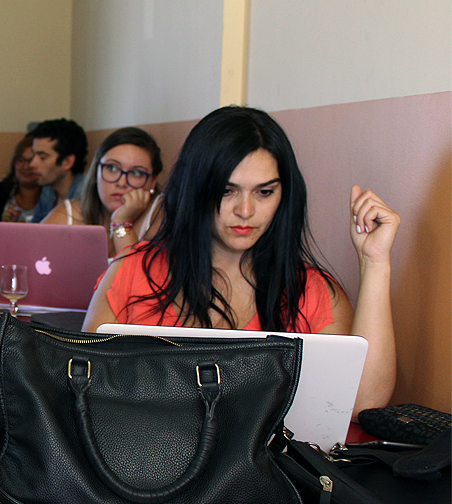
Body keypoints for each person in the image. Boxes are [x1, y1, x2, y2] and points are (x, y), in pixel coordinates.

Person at [83, 106, 399, 417]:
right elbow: (84, 393)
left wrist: (374, 261)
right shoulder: (132, 271)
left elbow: (363, 403)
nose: (245, 211)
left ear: (284, 195)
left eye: (264, 192)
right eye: (227, 191)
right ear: (195, 189)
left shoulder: (312, 292)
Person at [43, 127, 164, 257]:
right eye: (112, 168)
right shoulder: (70, 213)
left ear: (153, 181)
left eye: (136, 173)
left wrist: (122, 223)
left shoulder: (160, 215)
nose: (121, 183)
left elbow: (132, 270)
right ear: (96, 171)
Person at [27, 118, 88, 222]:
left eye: (42, 157)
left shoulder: (87, 197)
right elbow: (36, 228)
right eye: (34, 155)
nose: (32, 164)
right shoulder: (48, 190)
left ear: (67, 162)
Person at [0, 134, 40, 222]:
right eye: (21, 160)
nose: (26, 167)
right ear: (14, 164)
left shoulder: (51, 195)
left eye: (31, 160)